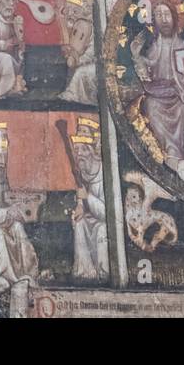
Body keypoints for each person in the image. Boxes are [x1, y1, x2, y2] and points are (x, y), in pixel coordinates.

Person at [130, 0, 184, 183]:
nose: (164, 19)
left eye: (167, 14)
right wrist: (135, 55)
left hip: (182, 95)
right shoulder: (153, 48)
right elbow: (145, 72)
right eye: (158, 15)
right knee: (151, 107)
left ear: (175, 18)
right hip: (158, 95)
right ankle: (172, 150)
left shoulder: (183, 45)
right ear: (154, 22)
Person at [0, 125, 40, 290]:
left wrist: (15, 207)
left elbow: (5, 202)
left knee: (18, 227)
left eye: (3, 155)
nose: (1, 161)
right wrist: (7, 212)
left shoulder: (0, 177)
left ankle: (24, 274)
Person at [69, 120, 108, 282]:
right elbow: (81, 197)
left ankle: (104, 272)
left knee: (101, 230)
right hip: (91, 217)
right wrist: (79, 206)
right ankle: (85, 271)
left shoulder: (104, 172)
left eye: (83, 150)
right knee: (79, 223)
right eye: (77, 150)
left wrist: (87, 198)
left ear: (91, 151)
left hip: (105, 223)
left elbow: (108, 214)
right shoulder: (83, 171)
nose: (79, 155)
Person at [59, 0, 97, 104]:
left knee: (81, 72)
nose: (71, 14)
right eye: (69, 10)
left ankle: (73, 96)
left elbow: (92, 53)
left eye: (75, 11)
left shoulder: (88, 28)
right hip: (82, 62)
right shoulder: (75, 27)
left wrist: (78, 60)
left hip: (97, 65)